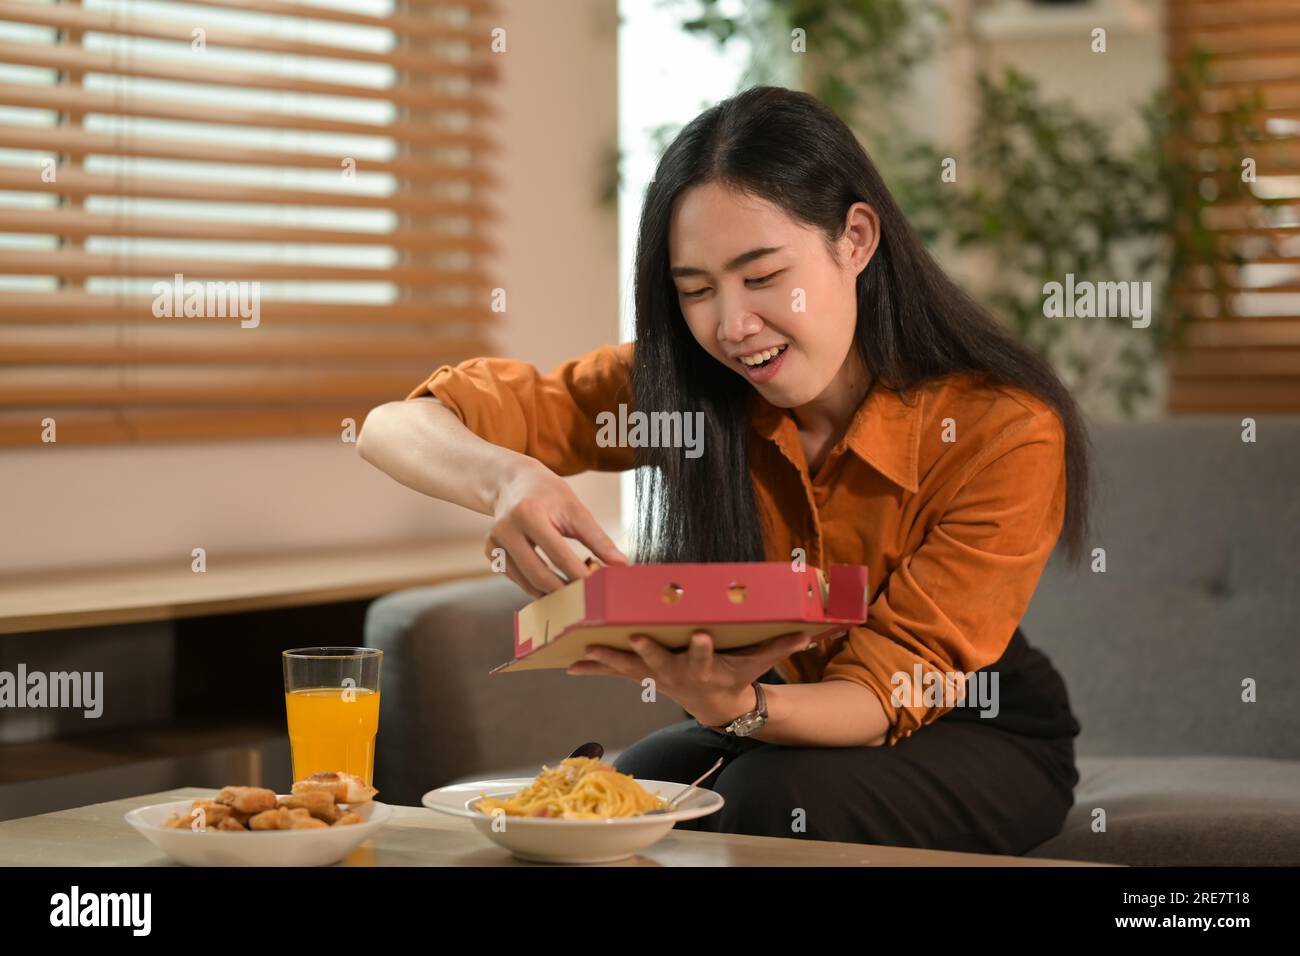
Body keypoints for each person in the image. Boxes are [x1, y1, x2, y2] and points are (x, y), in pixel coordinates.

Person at [359, 85, 1086, 855]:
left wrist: (738, 708)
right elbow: (392, 427)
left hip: (974, 728)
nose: (733, 327)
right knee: (611, 798)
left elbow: (882, 694)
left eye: (764, 276)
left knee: (773, 795)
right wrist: (506, 479)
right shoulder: (685, 392)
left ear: (856, 240)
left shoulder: (1002, 429)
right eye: (697, 291)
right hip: (772, 716)